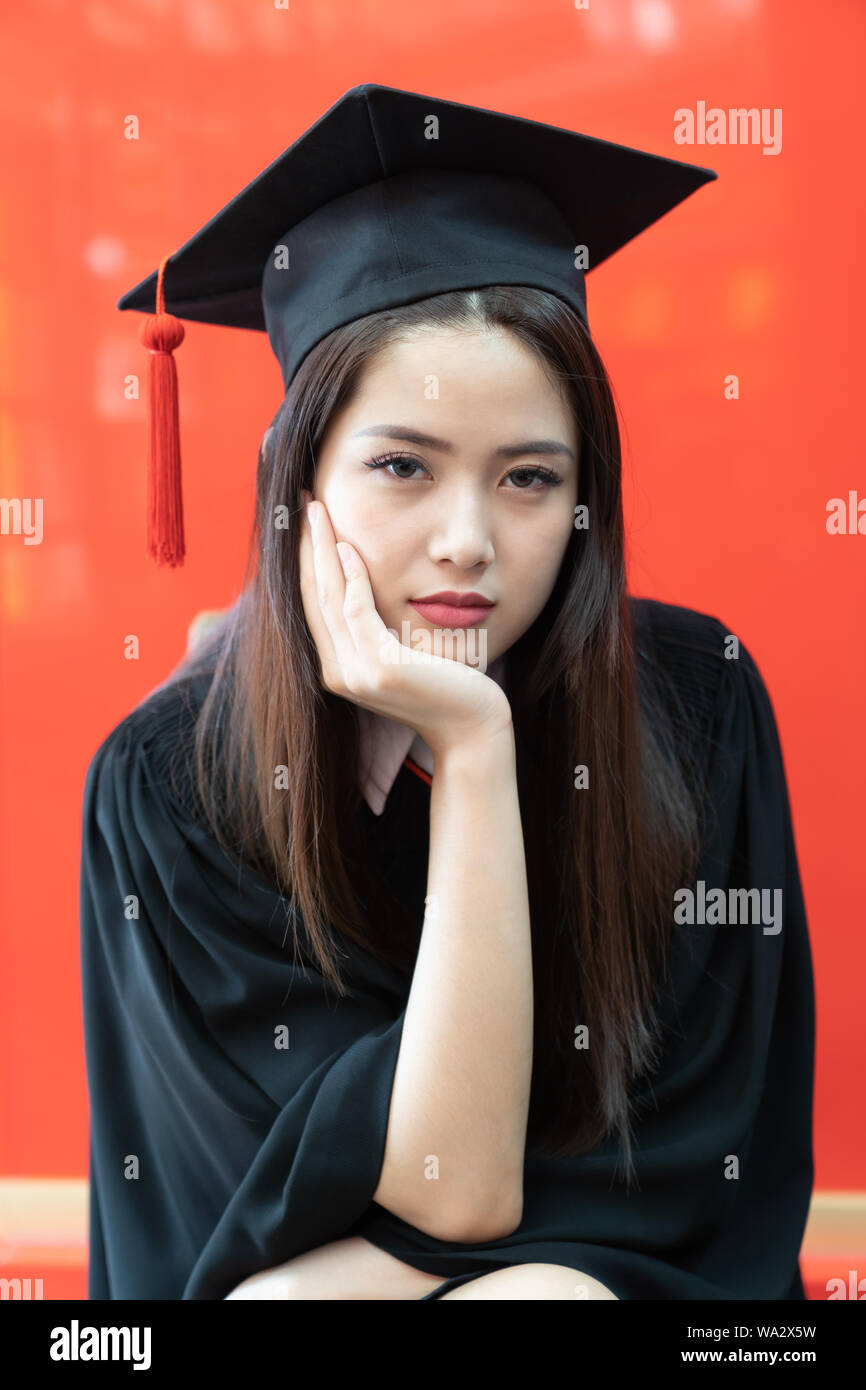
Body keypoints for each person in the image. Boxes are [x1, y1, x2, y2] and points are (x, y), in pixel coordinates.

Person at [80, 84, 814, 1300]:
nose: (467, 539)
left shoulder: (696, 705)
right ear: (295, 486)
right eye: (400, 467)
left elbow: (701, 1170)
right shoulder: (173, 784)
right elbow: (389, 1195)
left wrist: (471, 746)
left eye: (529, 478)